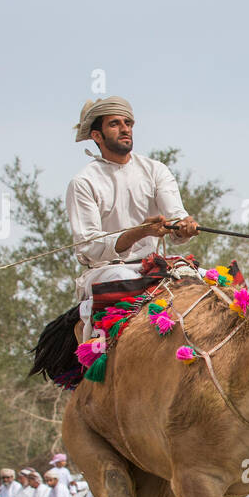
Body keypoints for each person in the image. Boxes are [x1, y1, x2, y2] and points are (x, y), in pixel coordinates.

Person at [67, 96, 199, 337]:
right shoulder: (83, 183)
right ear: (97, 136)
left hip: (155, 266)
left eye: (128, 123)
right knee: (123, 277)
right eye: (115, 124)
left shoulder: (155, 170)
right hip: (108, 271)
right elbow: (90, 248)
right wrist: (141, 231)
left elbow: (176, 217)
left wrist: (183, 226)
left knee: (200, 277)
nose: (125, 129)